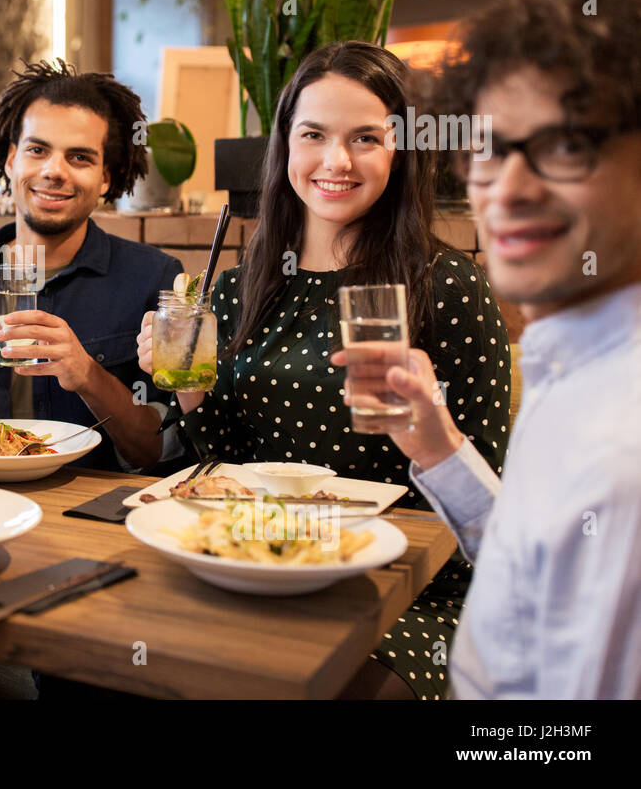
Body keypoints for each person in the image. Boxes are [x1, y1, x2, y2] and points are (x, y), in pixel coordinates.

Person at [138, 41, 511, 700]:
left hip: (410, 588)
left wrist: (431, 426)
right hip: (260, 560)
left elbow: (491, 507)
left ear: (401, 153)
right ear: (285, 146)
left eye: (366, 137)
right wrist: (191, 388)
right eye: (314, 135)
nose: (337, 161)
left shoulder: (447, 286)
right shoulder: (236, 289)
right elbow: (224, 461)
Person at [337, 0, 641, 698]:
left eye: (566, 145)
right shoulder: (576, 361)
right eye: (488, 149)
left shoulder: (622, 456)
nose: (506, 188)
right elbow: (532, 577)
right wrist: (438, 446)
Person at [0, 59, 183, 473]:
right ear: (12, 159)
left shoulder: (154, 281)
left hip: (91, 522)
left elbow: (157, 452)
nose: (54, 171)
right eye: (37, 150)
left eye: (80, 157)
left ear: (106, 178)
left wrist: (88, 374)